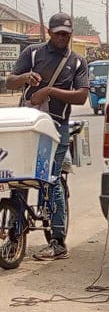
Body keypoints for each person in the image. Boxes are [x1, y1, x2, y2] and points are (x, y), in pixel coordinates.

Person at [7, 13, 89, 260]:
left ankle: (58, 241)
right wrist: (25, 77)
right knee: (19, 179)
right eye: (58, 33)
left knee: (52, 180)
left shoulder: (77, 61)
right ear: (50, 33)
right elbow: (10, 82)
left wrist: (50, 91)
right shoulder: (32, 53)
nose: (63, 37)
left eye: (66, 33)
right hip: (28, 125)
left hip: (56, 128)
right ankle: (14, 232)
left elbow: (82, 96)